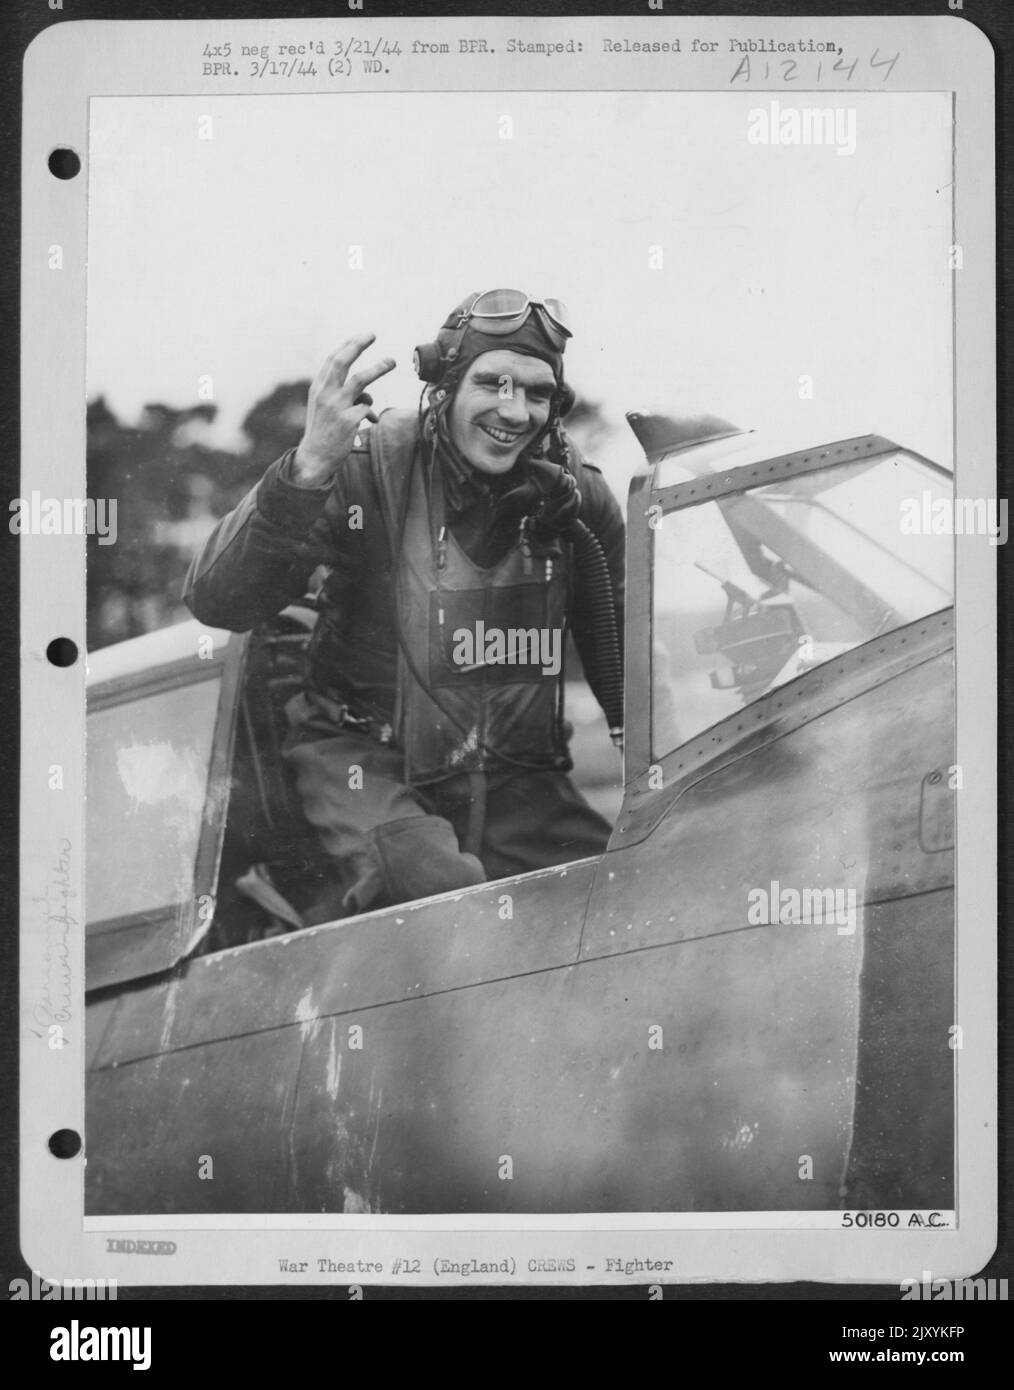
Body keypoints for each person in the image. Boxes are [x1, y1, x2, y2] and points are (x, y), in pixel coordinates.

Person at [184, 290, 625, 921]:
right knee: (441, 904)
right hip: (368, 760)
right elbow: (216, 599)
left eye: (536, 393)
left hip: (507, 773)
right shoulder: (366, 471)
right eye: (493, 383)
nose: (515, 410)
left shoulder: (574, 497)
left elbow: (627, 650)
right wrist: (308, 467)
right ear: (444, 385)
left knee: (612, 897)